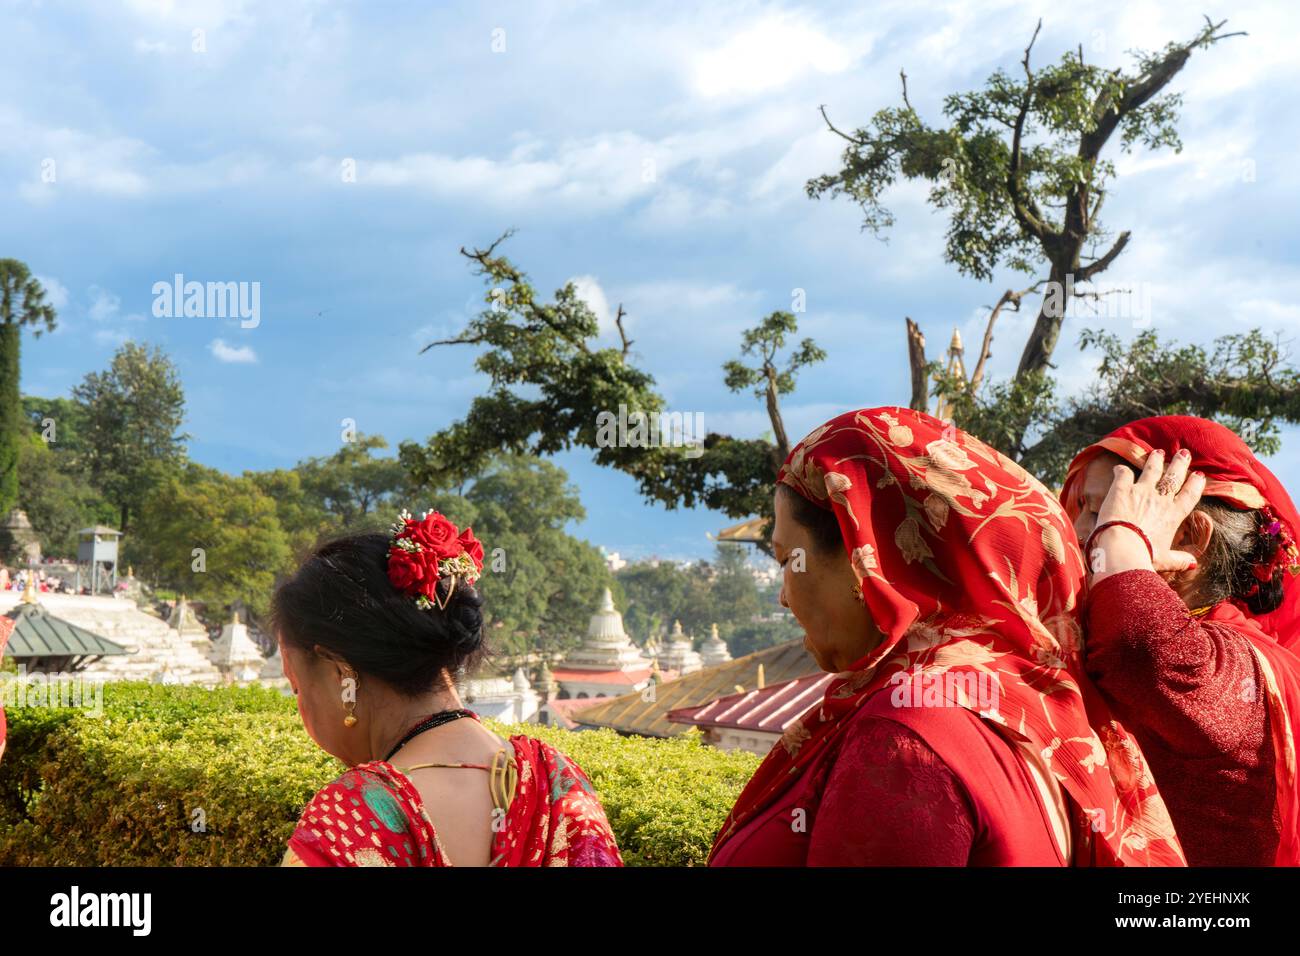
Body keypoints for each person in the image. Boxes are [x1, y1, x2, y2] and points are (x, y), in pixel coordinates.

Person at [710, 407, 1184, 866]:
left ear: (865, 563)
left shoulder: (905, 733)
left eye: (787, 561)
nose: (783, 598)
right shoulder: (1036, 707)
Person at [275, 510, 623, 867]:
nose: (302, 709)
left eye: (298, 687)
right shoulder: (557, 782)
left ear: (340, 673)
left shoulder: (347, 822)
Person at [1061, 416, 1300, 865]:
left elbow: (1141, 647)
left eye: (1101, 511)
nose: (1076, 533)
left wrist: (1123, 542)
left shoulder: (1236, 662)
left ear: (1189, 535)